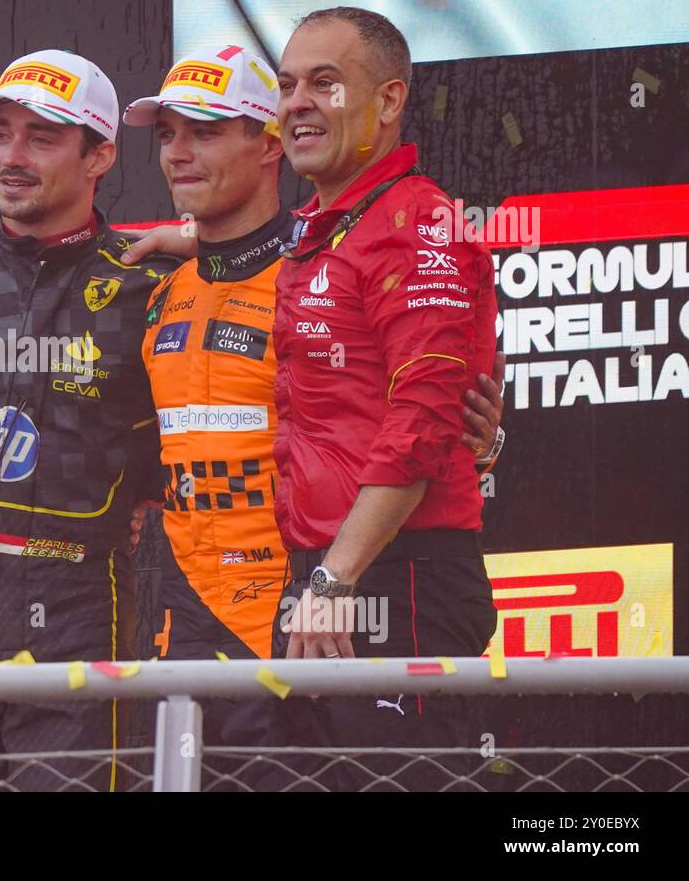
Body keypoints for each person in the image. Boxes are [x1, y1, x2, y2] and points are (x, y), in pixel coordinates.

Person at [121, 45, 503, 786]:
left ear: (269, 144)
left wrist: (476, 446)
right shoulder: (163, 284)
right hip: (197, 622)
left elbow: (431, 403)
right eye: (166, 134)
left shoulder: (363, 245)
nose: (178, 153)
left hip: (312, 603)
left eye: (203, 131)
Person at [0, 49, 178, 790]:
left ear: (100, 155)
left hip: (81, 596)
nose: (11, 157)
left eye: (41, 138)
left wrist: (208, 243)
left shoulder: (148, 280)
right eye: (1, 133)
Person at [267, 7, 500, 784]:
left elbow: (426, 420)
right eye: (287, 83)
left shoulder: (418, 224)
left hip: (396, 580)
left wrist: (338, 579)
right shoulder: (325, 225)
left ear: (389, 100)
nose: (297, 101)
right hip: (328, 577)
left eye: (325, 84)